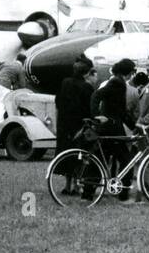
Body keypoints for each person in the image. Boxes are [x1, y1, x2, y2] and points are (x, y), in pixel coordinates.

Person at [92, 58, 138, 197]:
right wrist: (96, 115)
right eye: (133, 71)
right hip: (113, 127)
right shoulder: (118, 83)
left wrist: (133, 126)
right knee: (127, 161)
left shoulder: (116, 81)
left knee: (100, 159)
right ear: (129, 72)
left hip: (107, 126)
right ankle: (123, 194)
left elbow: (119, 110)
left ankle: (87, 194)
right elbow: (96, 96)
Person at [54, 55, 96, 195]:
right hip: (79, 126)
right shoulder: (87, 87)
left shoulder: (64, 82)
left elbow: (58, 103)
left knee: (66, 155)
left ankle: (67, 185)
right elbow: (89, 109)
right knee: (80, 155)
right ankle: (77, 185)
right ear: (87, 72)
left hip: (64, 125)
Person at [0, 55, 29, 132]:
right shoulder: (20, 68)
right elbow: (22, 85)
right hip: (4, 85)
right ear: (23, 61)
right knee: (3, 103)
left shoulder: (7, 63)